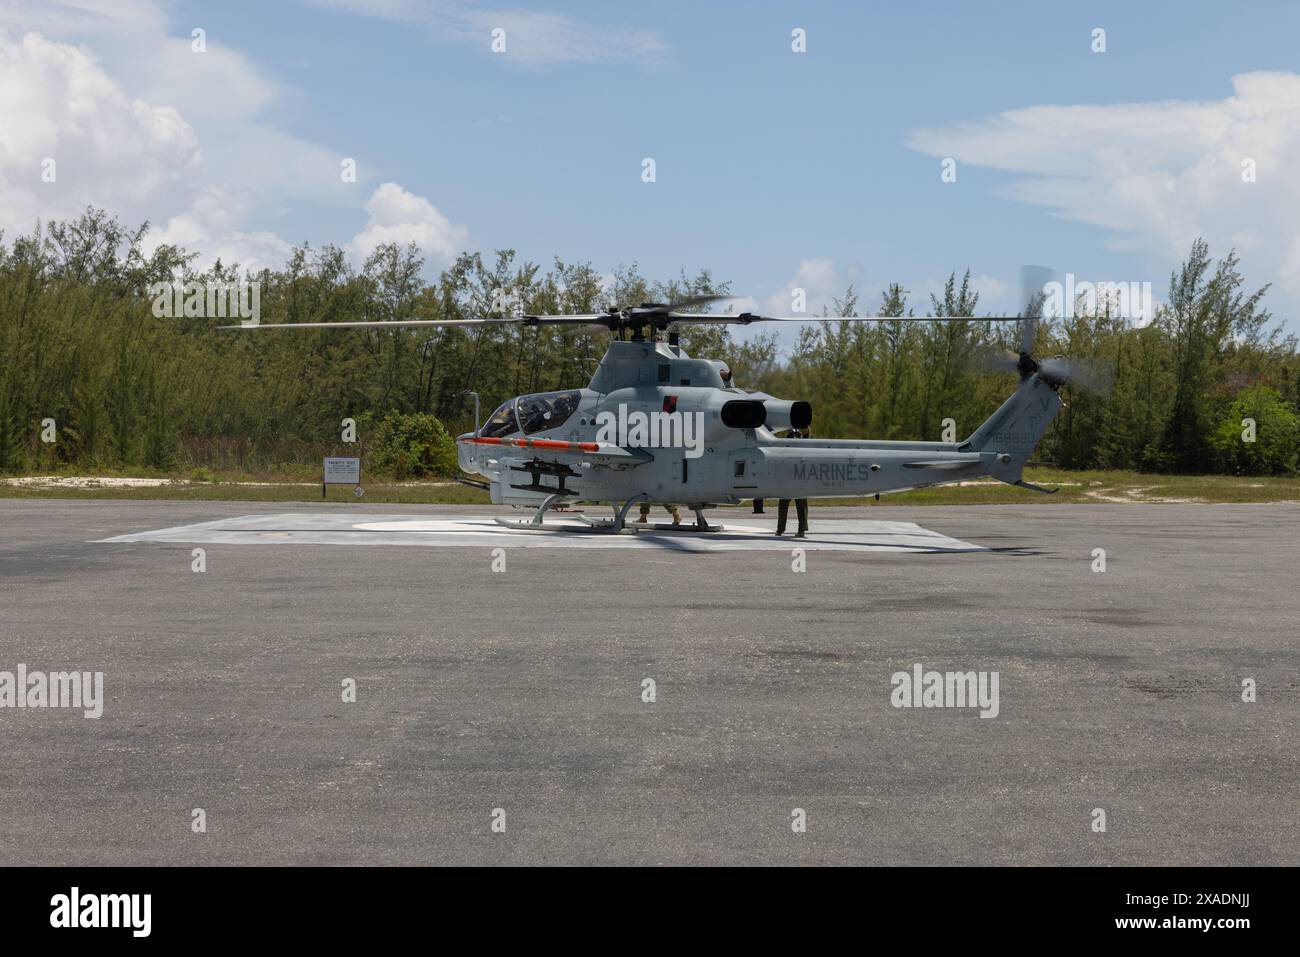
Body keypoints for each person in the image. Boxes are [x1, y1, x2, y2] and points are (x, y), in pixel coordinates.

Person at [775, 428, 809, 538]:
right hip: (795, 479)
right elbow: (807, 435)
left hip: (792, 479)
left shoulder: (787, 444)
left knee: (792, 505)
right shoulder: (801, 444)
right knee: (798, 505)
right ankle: (798, 530)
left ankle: (782, 529)